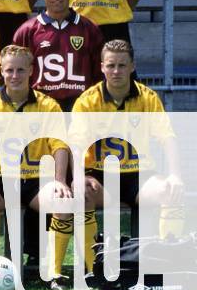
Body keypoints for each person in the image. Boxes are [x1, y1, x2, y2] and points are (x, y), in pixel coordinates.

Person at [62, 40, 184, 274]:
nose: (116, 71)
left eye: (121, 65)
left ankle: (167, 265)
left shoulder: (148, 98)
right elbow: (76, 146)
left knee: (171, 191)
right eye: (111, 65)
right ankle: (93, 269)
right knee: (80, 196)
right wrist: (77, 178)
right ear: (101, 67)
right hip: (100, 177)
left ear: (132, 66)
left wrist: (175, 176)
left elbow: (168, 138)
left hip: (139, 175)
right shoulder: (88, 101)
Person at [0, 46, 70, 289]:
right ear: (1, 71)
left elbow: (59, 146)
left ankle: (54, 274)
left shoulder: (48, 105)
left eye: (21, 70)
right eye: (9, 70)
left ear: (31, 70)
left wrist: (60, 180)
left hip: (36, 181)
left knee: (64, 201)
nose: (15, 75)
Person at [12, 0, 104, 111]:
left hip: (80, 110)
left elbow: (99, 77)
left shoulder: (90, 30)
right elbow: (15, 75)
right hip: (40, 110)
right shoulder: (27, 31)